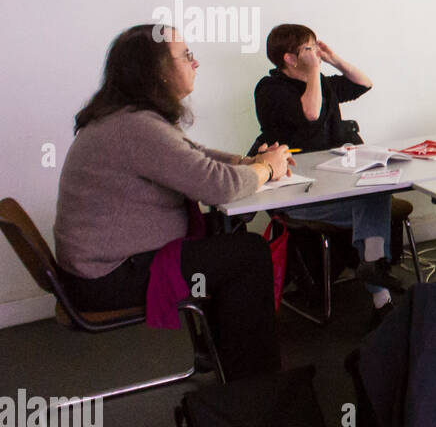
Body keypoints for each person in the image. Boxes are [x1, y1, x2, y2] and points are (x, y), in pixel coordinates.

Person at [54, 24, 290, 380]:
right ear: (158, 71)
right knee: (248, 253)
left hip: (99, 269)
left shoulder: (128, 118)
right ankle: (252, 385)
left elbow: (194, 155)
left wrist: (250, 162)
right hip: (108, 279)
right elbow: (218, 187)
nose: (196, 63)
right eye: (186, 56)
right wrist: (267, 170)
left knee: (226, 231)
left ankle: (224, 354)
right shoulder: (136, 127)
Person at [252, 24, 401, 319]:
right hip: (298, 195)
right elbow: (311, 114)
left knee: (376, 192)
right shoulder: (270, 90)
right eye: (308, 49)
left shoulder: (321, 83)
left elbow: (364, 84)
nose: (315, 54)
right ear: (289, 59)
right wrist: (314, 74)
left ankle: (375, 275)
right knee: (370, 203)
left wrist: (334, 60)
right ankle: (378, 285)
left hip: (337, 185)